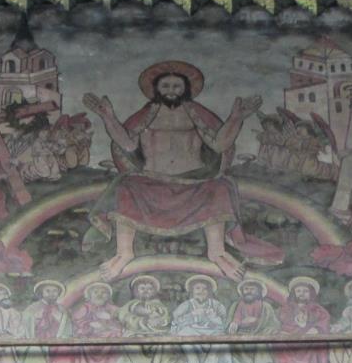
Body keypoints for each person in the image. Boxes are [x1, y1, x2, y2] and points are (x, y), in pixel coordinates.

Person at [82, 61, 269, 281]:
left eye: (177, 86)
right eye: (166, 86)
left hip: (194, 180)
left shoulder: (196, 114)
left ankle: (217, 252)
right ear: (156, 89)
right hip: (150, 180)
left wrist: (236, 118)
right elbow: (127, 144)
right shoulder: (146, 115)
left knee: (220, 187)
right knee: (125, 186)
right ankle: (124, 253)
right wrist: (108, 117)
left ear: (186, 89)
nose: (171, 91)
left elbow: (219, 145)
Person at [171, 275, 234, 363]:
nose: (201, 291)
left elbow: (224, 324)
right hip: (192, 333)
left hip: (212, 333)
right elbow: (176, 321)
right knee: (185, 335)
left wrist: (213, 317)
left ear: (209, 291)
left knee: (219, 341)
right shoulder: (186, 305)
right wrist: (192, 315)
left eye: (205, 289)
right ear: (192, 290)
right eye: (198, 288)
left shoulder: (217, 305)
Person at [117, 275, 178, 363]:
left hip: (157, 334)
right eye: (142, 288)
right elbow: (124, 318)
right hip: (135, 334)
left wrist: (160, 321)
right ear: (136, 291)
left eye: (149, 289)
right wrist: (144, 321)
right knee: (133, 345)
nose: (146, 291)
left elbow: (166, 318)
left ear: (155, 291)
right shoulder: (130, 305)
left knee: (165, 344)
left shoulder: (158, 305)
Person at [275, 277, 331, 363]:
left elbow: (324, 321)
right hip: (290, 335)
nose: (302, 293)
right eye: (298, 291)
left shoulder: (317, 309)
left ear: (311, 293)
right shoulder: (287, 308)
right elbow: (281, 320)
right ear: (294, 293)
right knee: (280, 339)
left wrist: (317, 328)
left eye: (305, 291)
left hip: (309, 335)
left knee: (315, 340)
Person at [66, 282, 123, 363]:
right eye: (96, 292)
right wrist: (89, 325)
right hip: (89, 336)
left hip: (108, 336)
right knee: (83, 344)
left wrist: (110, 324)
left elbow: (121, 322)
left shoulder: (113, 309)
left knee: (115, 336)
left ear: (108, 297)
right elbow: (76, 322)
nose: (99, 295)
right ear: (89, 295)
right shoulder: (85, 308)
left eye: (103, 292)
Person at [226, 279, 279, 363]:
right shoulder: (236, 305)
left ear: (258, 291)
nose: (249, 291)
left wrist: (265, 325)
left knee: (261, 341)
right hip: (240, 333)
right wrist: (234, 323)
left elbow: (274, 323)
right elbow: (229, 321)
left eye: (252, 289)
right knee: (234, 344)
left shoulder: (266, 306)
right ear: (242, 291)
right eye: (246, 289)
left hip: (259, 332)